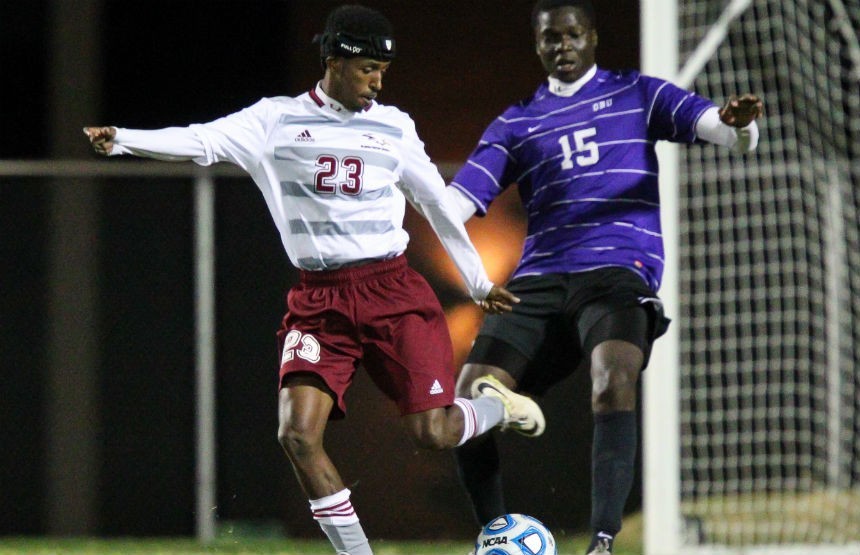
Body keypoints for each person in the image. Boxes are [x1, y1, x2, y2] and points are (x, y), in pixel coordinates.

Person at [83, 5, 546, 555]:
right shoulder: (273, 121)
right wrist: (123, 140)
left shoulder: (394, 127)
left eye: (383, 71)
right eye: (368, 68)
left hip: (393, 293)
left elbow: (435, 203)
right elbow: (202, 141)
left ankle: (497, 405)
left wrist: (474, 281)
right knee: (297, 435)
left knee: (435, 433)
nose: (377, 82)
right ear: (333, 60)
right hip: (319, 302)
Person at [446, 1, 764, 554]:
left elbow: (720, 128)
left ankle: (601, 542)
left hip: (618, 273)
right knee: (465, 399)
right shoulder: (518, 121)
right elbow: (455, 202)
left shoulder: (638, 93)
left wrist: (741, 127)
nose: (561, 47)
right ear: (537, 44)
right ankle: (494, 535)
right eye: (550, 39)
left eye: (572, 36)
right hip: (541, 278)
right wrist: (396, 201)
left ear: (593, 37)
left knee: (611, 380)